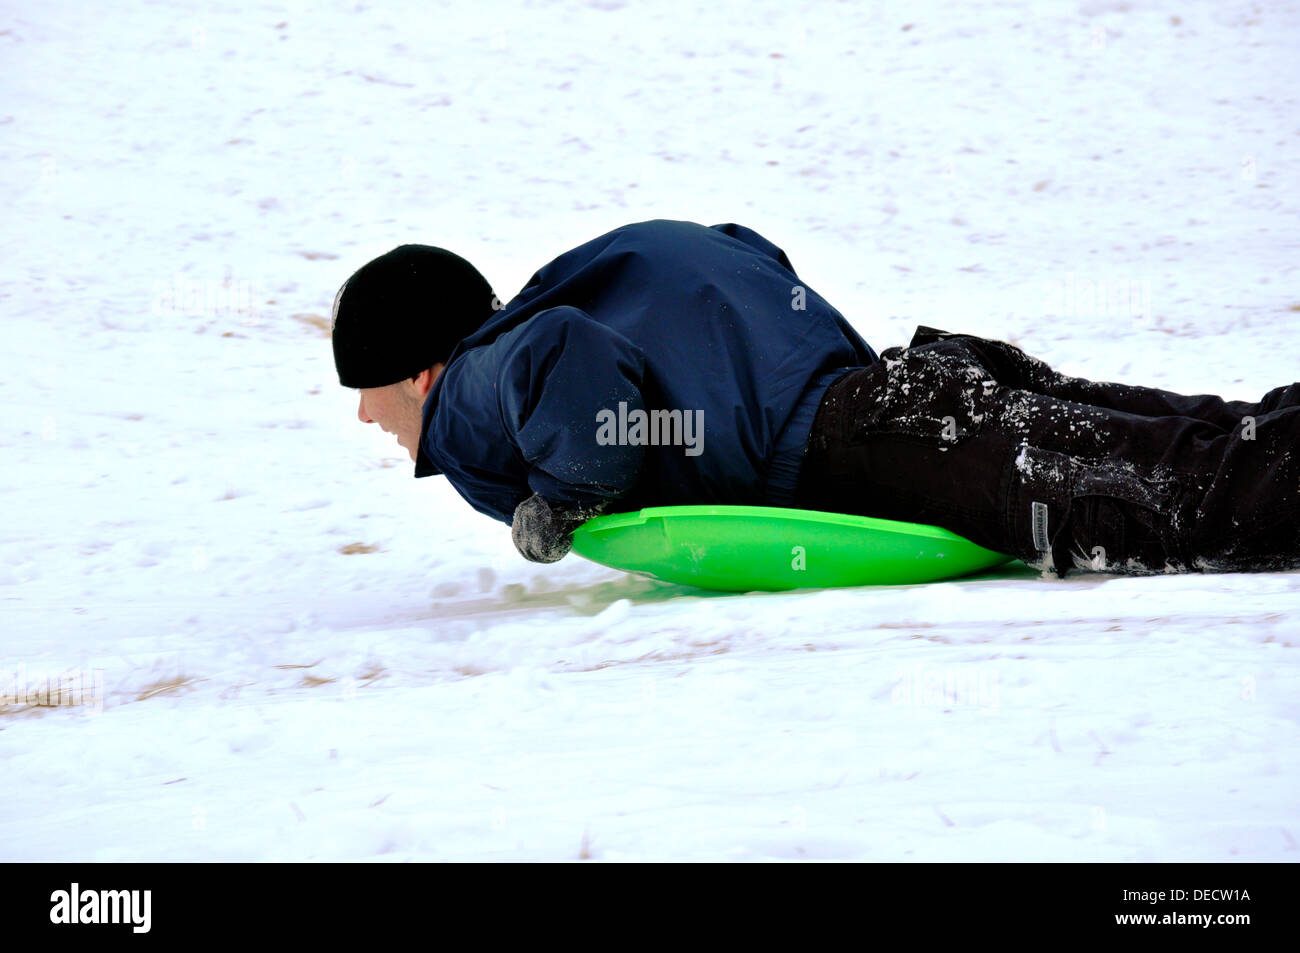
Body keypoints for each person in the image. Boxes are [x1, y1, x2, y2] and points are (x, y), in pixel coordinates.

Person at [331, 219, 1300, 578]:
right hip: (902, 390)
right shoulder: (604, 272)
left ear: (420, 368)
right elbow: (747, 250)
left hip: (872, 439)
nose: (369, 417)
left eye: (369, 389)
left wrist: (564, 496)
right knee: (1205, 439)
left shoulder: (478, 382)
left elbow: (568, 363)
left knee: (1179, 500)